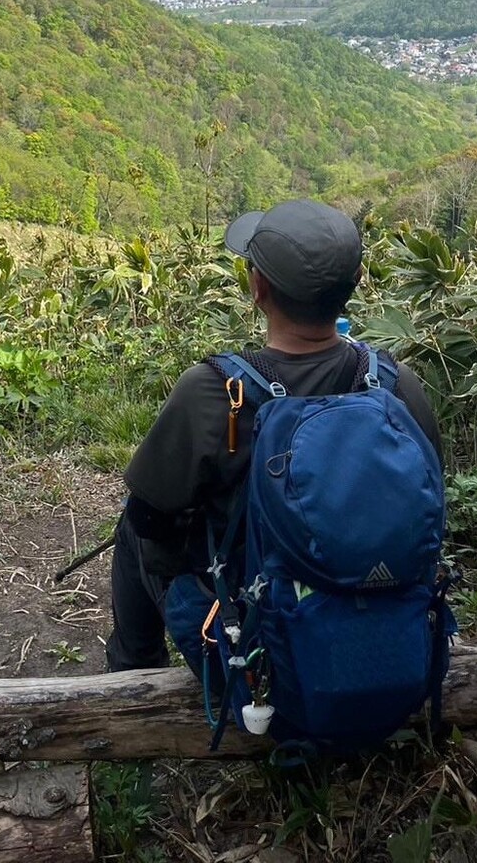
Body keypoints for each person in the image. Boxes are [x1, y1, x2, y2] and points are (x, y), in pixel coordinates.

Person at [106, 198, 443, 672]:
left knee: (133, 525)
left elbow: (152, 519)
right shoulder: (394, 383)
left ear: (258, 287)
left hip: (260, 644)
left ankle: (133, 670)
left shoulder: (214, 391)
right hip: (382, 629)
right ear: (354, 286)